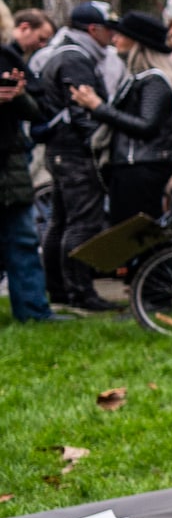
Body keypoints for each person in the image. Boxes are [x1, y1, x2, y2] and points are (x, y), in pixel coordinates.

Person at [31, 0, 122, 312]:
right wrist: (97, 146)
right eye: (110, 29)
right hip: (74, 154)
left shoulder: (63, 53)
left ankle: (58, 290)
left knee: (60, 221)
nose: (113, 36)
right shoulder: (76, 59)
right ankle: (80, 293)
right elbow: (82, 111)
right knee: (81, 223)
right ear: (93, 29)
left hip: (60, 152)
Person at [72, 10, 172, 228]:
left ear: (137, 42)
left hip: (142, 167)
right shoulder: (141, 78)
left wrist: (98, 107)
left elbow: (146, 125)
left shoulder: (154, 80)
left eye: (121, 35)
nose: (114, 39)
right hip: (135, 166)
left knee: (135, 235)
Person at [0, 22, 63, 322]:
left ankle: (34, 311)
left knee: (23, 240)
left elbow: (37, 111)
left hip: (10, 165)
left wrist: (19, 95)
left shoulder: (8, 58)